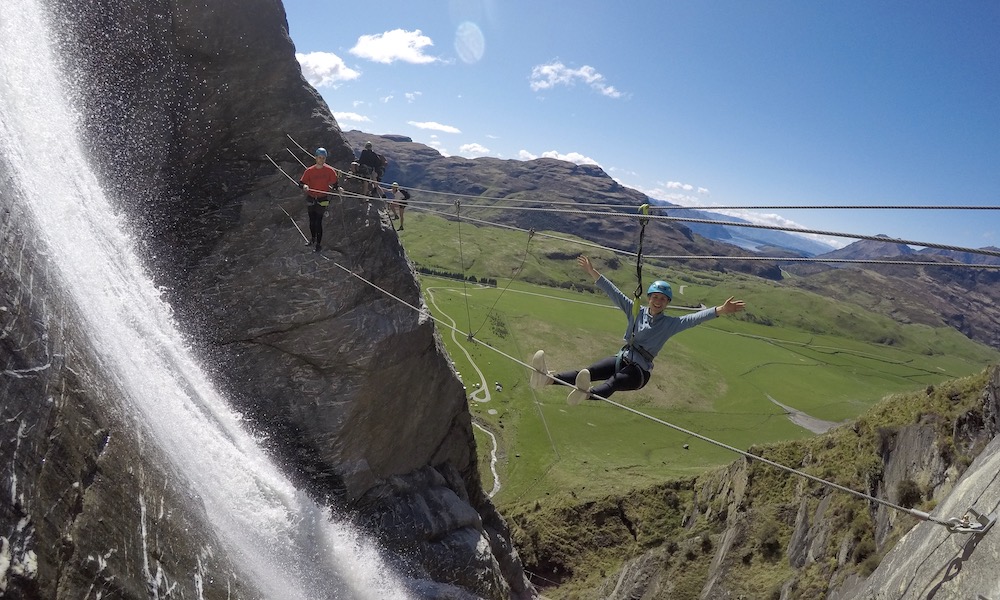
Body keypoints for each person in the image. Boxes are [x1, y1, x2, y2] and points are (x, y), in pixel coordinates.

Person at [530, 255, 746, 404]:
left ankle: (587, 395)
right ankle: (548, 379)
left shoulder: (669, 324)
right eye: (655, 297)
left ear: (667, 303)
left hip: (639, 373)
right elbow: (614, 293)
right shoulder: (636, 311)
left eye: (663, 299)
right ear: (649, 298)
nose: (658, 301)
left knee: (614, 381)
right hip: (622, 358)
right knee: (589, 372)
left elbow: (693, 319)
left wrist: (721, 310)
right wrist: (592, 272)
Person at [298, 147, 339, 252]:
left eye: (323, 158)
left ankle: (318, 244)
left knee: (318, 222)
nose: (321, 160)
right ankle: (313, 239)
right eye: (319, 157)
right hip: (311, 198)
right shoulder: (309, 171)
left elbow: (335, 184)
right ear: (315, 158)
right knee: (312, 221)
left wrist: (338, 189)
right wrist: (305, 186)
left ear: (325, 159)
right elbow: (301, 183)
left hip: (322, 198)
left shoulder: (329, 171)